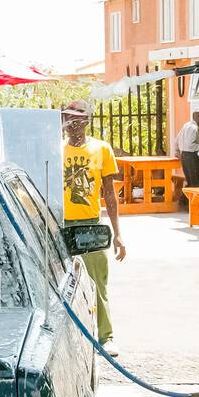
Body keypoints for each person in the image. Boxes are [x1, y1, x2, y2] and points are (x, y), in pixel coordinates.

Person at [61, 100, 127, 357]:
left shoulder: (101, 149)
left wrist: (118, 233)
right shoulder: (55, 149)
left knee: (97, 283)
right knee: (61, 284)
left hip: (90, 224)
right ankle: (70, 337)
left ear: (86, 121)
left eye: (76, 119)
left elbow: (109, 194)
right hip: (62, 224)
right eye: (67, 118)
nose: (71, 124)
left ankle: (106, 336)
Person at [175, 110, 199, 188]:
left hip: (184, 155)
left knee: (190, 181)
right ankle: (189, 199)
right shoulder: (194, 128)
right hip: (190, 156)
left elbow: (177, 140)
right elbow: (190, 146)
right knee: (195, 182)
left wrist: (177, 151)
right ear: (198, 117)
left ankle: (184, 200)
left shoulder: (186, 125)